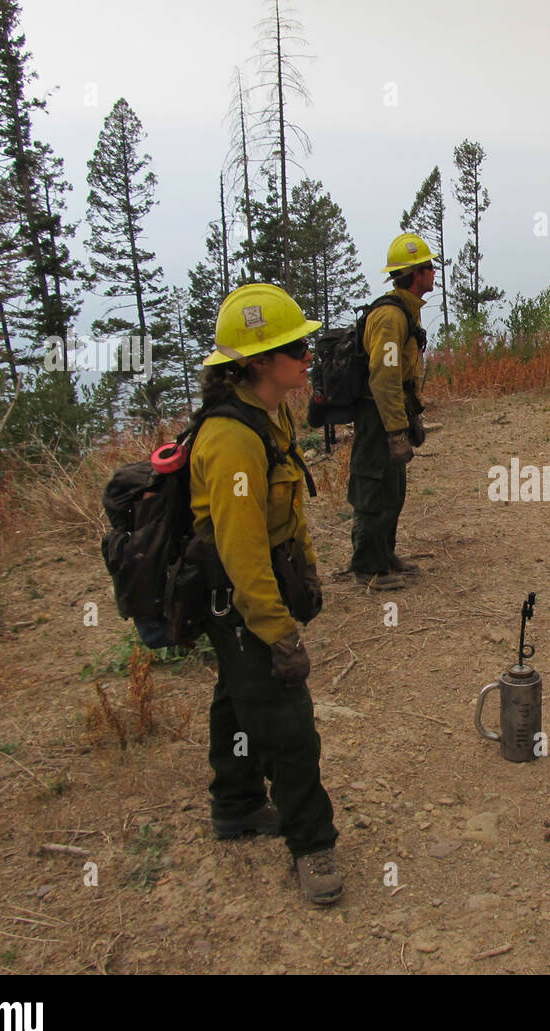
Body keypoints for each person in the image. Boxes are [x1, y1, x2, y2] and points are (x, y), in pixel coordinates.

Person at [189, 282, 343, 906]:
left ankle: (236, 804)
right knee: (287, 722)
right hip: (239, 596)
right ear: (256, 362)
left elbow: (289, 503)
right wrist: (277, 630)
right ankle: (312, 844)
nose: (308, 354)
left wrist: (305, 565)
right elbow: (241, 551)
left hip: (254, 588)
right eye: (295, 347)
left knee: (234, 694)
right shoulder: (231, 441)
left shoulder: (271, 410)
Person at [348, 233, 434, 590]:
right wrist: (396, 430)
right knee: (374, 490)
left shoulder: (404, 312)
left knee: (393, 491)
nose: (433, 274)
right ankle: (367, 567)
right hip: (378, 416)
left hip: (390, 412)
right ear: (415, 274)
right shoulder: (389, 317)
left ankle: (385, 555)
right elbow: (383, 377)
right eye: (429, 267)